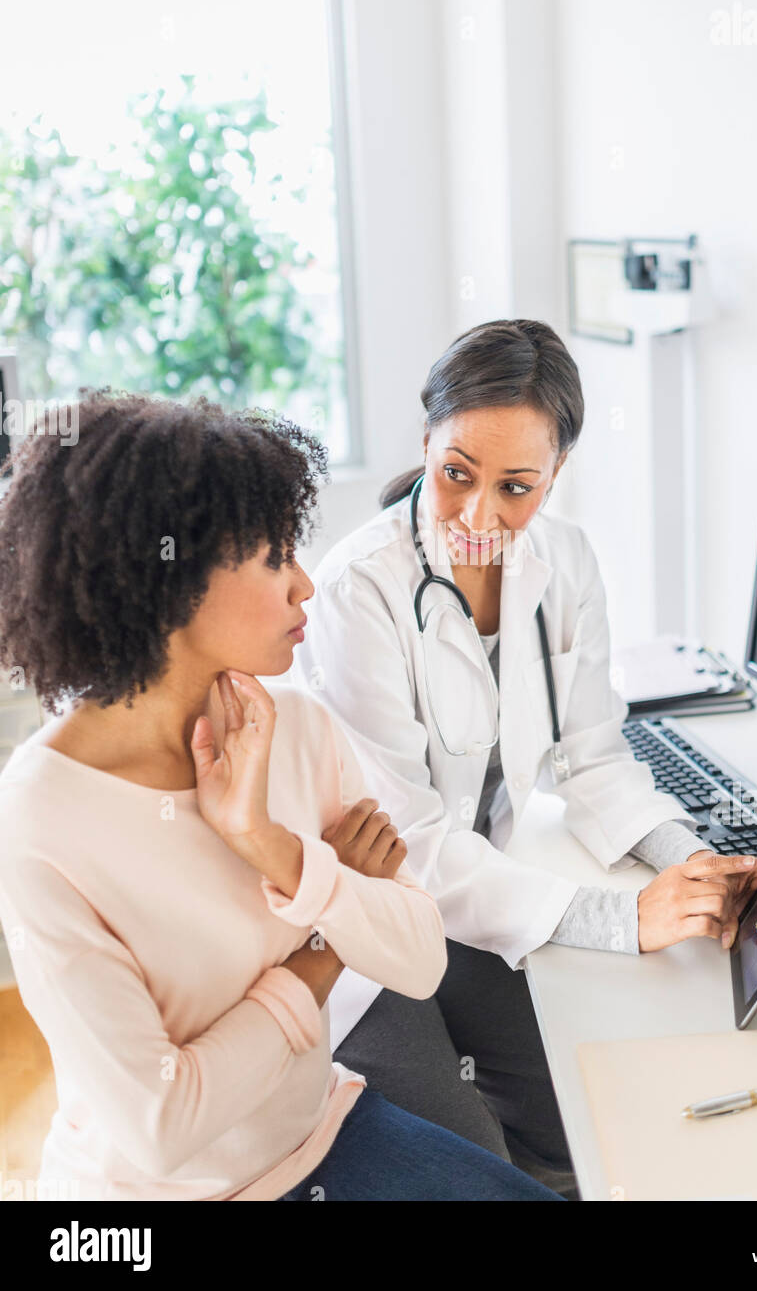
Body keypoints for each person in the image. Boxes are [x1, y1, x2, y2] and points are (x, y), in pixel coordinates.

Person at [0, 389, 561, 1202]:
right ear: (166, 581)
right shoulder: (38, 822)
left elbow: (416, 957)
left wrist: (272, 846)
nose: (305, 585)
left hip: (318, 1132)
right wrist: (322, 953)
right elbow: (161, 1126)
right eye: (272, 558)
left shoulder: (293, 727)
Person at [295, 319, 757, 1197]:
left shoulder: (567, 562)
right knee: (475, 1158)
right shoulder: (356, 590)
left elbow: (593, 758)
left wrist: (694, 866)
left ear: (555, 478)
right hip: (360, 922)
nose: (480, 518)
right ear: (425, 442)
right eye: (455, 475)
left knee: (582, 1120)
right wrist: (622, 919)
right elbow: (417, 843)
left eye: (516, 487)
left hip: (479, 895)